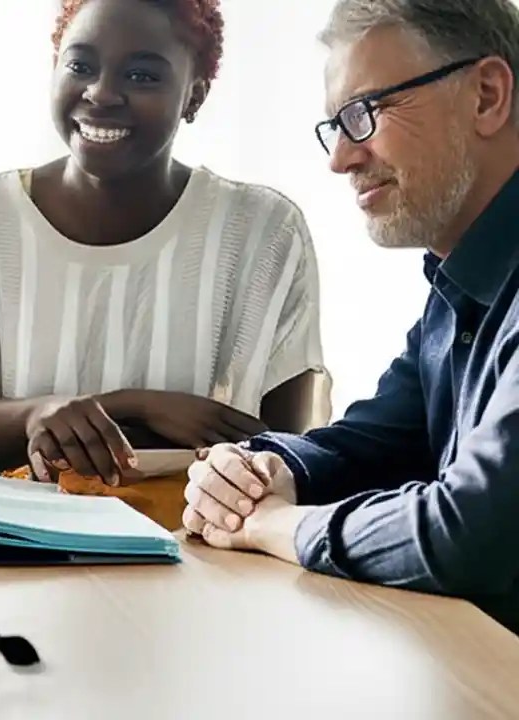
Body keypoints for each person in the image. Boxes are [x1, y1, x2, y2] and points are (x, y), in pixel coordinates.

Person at [0, 0, 329, 519]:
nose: (100, 93)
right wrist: (125, 407)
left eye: (142, 75)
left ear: (195, 94)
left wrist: (62, 424)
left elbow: (280, 456)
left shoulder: (262, 231)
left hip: (195, 556)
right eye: (80, 65)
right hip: (10, 553)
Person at [184, 0, 519, 634]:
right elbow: (372, 445)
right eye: (334, 124)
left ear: (486, 96)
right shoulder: (458, 289)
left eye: (364, 114)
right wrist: (262, 472)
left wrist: (273, 525)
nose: (340, 158)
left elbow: (472, 531)